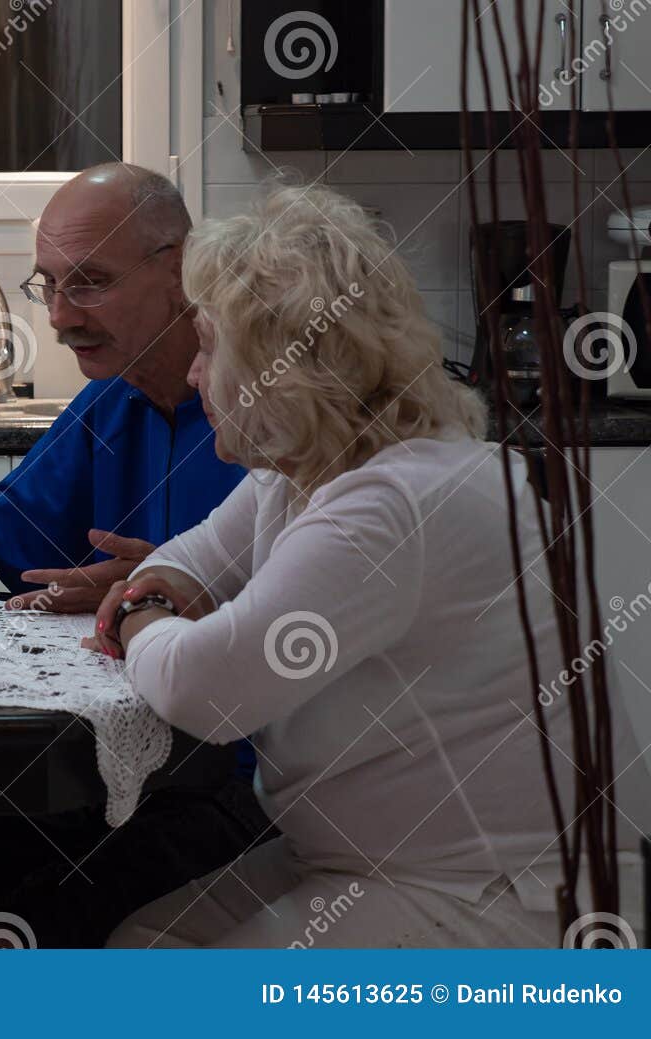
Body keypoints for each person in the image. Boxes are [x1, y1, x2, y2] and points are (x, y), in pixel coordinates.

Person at [102, 182, 651, 947]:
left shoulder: (393, 504)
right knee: (142, 943)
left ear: (279, 363)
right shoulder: (304, 470)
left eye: (206, 346)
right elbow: (187, 556)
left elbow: (206, 690)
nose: (194, 377)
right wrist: (166, 593)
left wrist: (139, 615)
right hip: (367, 863)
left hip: (499, 899)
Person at [0, 165, 267, 949]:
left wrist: (165, 590)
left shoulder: (271, 409)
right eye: (47, 284)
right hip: (116, 769)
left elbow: (299, 612)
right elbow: (6, 527)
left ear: (181, 267)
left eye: (90, 283)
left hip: (240, 777)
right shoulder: (112, 398)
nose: (57, 316)